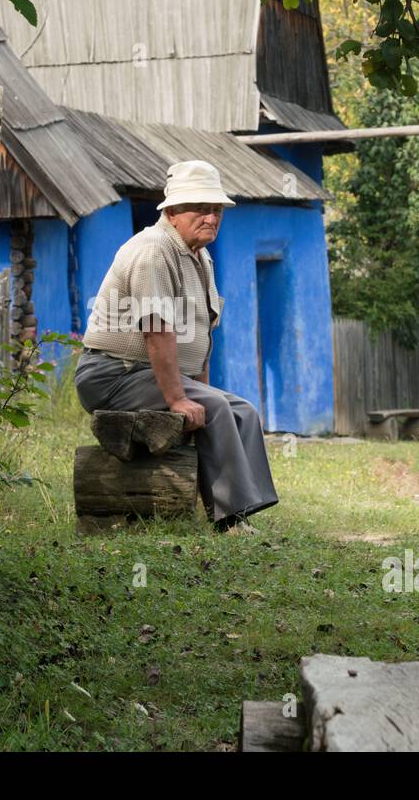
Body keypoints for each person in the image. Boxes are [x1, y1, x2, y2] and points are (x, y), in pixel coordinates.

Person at [74, 160, 279, 532]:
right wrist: (178, 399)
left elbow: (200, 335)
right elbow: (156, 331)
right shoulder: (154, 250)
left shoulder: (199, 257)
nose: (211, 218)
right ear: (171, 211)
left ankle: (243, 511)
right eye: (200, 209)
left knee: (242, 410)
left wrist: (195, 390)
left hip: (148, 375)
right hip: (113, 375)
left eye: (216, 210)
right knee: (213, 406)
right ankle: (228, 520)